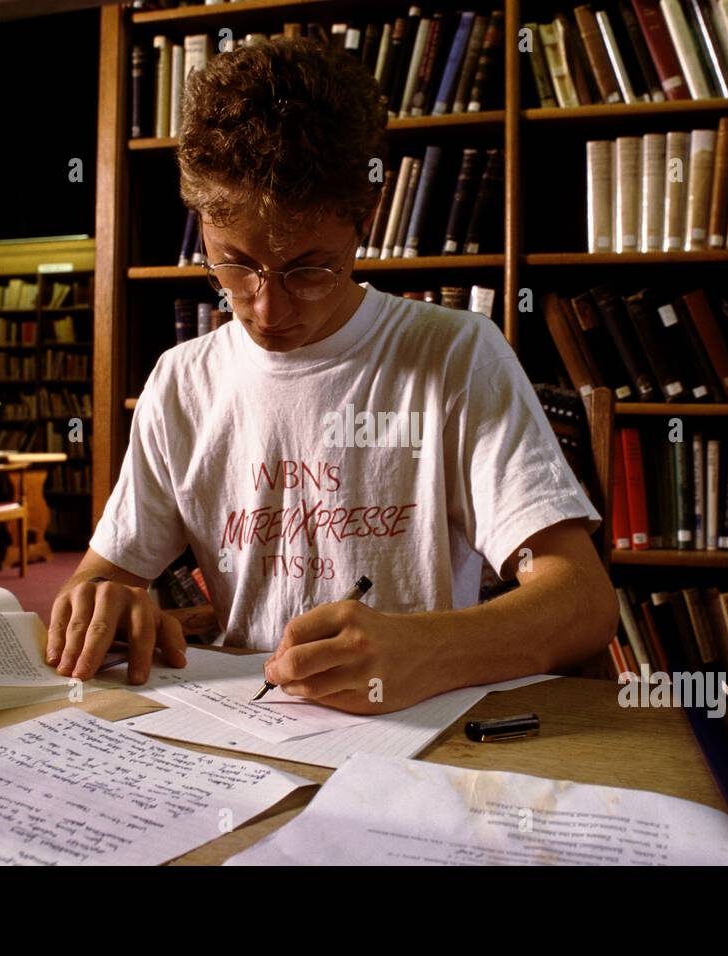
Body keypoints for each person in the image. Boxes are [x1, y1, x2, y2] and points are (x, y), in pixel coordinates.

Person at [46, 37, 617, 714]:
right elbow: (103, 575)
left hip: (414, 745)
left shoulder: (455, 356)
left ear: (363, 224)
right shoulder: (182, 382)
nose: (267, 307)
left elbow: (582, 601)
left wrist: (429, 648)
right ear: (199, 223)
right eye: (235, 264)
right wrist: (111, 602)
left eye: (307, 269)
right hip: (237, 736)